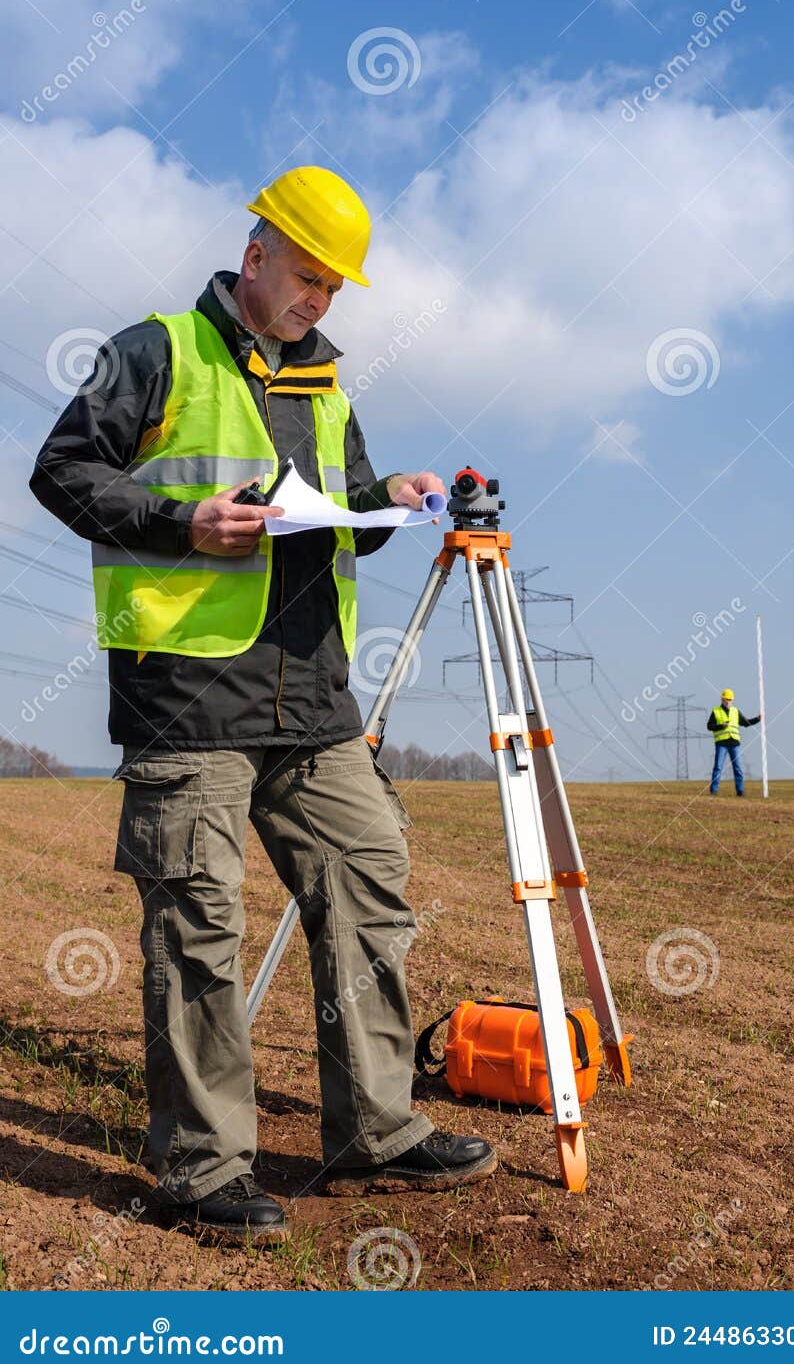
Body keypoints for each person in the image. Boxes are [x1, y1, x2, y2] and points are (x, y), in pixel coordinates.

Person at [30, 165, 496, 1244]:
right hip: (187, 696)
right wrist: (181, 522)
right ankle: (199, 1170)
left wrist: (398, 499)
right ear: (256, 255)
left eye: (334, 289)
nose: (318, 302)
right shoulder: (153, 350)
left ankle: (375, 1129)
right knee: (200, 926)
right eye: (306, 278)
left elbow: (345, 512)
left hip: (310, 696)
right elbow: (62, 472)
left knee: (370, 882)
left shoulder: (325, 380)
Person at [706, 687, 760, 797]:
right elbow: (709, 726)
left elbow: (746, 723)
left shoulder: (735, 711)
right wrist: (721, 726)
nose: (728, 701)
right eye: (726, 699)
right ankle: (713, 791)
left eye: (730, 699)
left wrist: (757, 719)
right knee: (718, 767)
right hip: (721, 744)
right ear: (722, 699)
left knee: (738, 768)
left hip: (734, 744)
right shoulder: (716, 711)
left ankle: (740, 791)